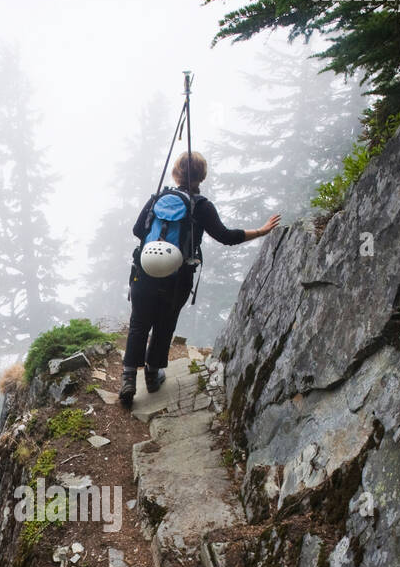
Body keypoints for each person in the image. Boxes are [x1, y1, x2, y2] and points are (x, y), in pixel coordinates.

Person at [120, 151, 281, 406]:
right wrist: (260, 231)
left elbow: (137, 230)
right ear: (201, 176)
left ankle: (128, 379)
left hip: (145, 271)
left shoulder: (158, 198)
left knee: (139, 323)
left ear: (176, 172)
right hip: (177, 277)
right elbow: (226, 236)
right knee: (165, 323)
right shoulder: (201, 206)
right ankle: (152, 375)